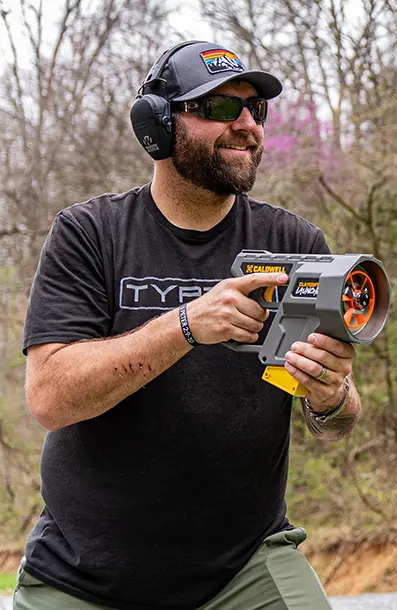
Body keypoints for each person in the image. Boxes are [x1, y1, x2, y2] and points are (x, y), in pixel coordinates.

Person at [14, 40, 362, 610]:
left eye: (256, 109)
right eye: (222, 109)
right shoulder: (89, 235)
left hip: (243, 565)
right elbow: (50, 397)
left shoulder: (296, 246)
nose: (247, 125)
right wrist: (185, 325)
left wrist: (328, 395)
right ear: (156, 124)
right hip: (85, 575)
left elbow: (334, 419)